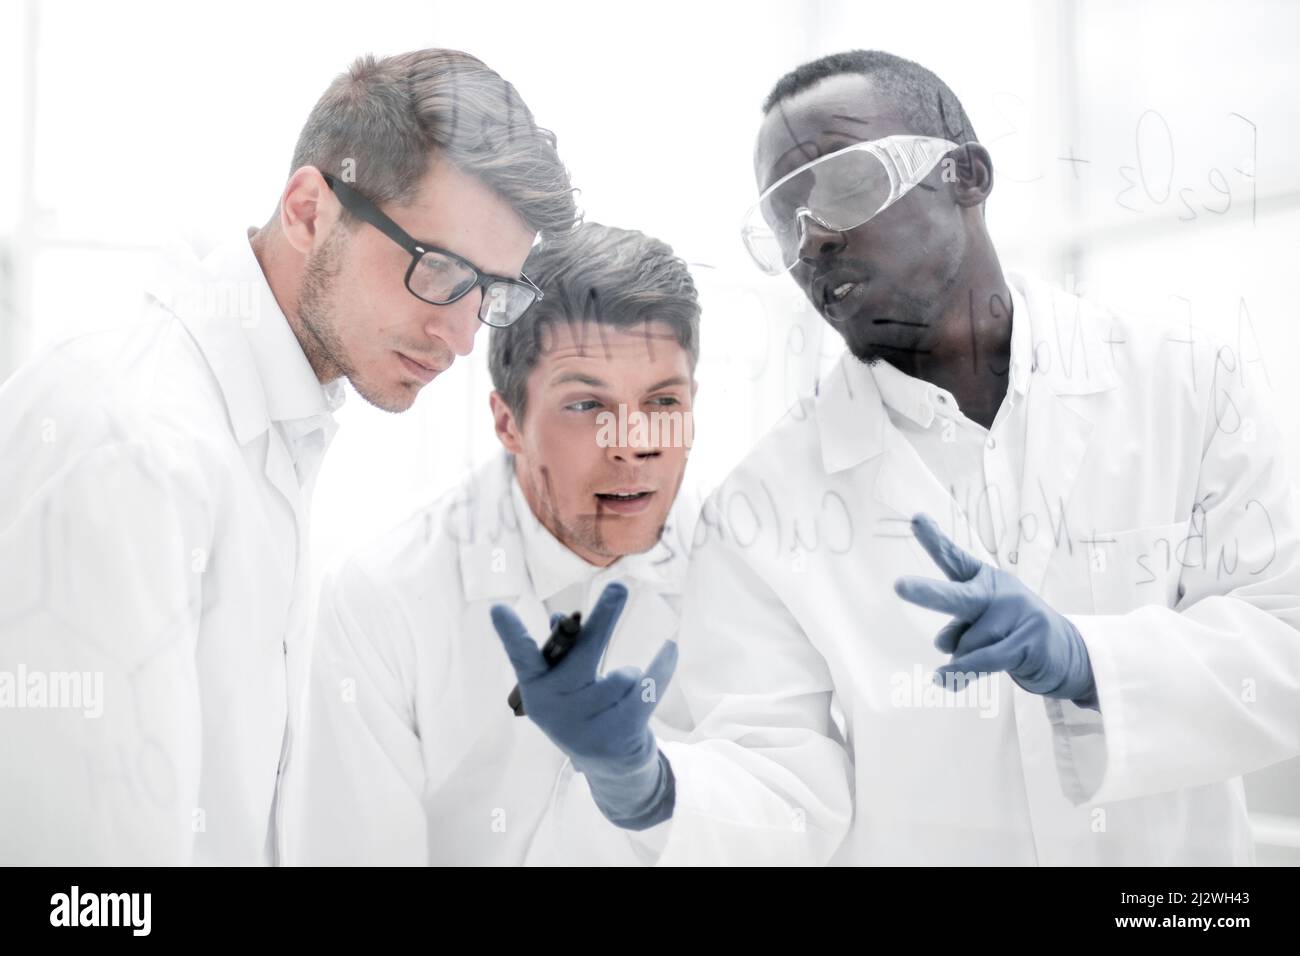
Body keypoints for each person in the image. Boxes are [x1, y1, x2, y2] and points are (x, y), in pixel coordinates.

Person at [494, 50, 1300, 865]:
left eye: (843, 185)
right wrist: (642, 784)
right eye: (786, 220)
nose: (813, 241)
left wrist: (1086, 660)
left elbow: (1286, 642)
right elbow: (781, 779)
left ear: (967, 175)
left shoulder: (1187, 387)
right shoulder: (762, 508)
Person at [0, 48, 576, 865]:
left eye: (491, 294)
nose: (460, 335)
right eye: (439, 268)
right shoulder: (132, 443)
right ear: (309, 209)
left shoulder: (272, 430)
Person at [291, 222, 701, 865]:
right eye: (587, 405)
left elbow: (802, 821)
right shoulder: (384, 598)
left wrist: (642, 793)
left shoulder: (750, 574)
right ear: (508, 422)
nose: (633, 441)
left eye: (663, 400)